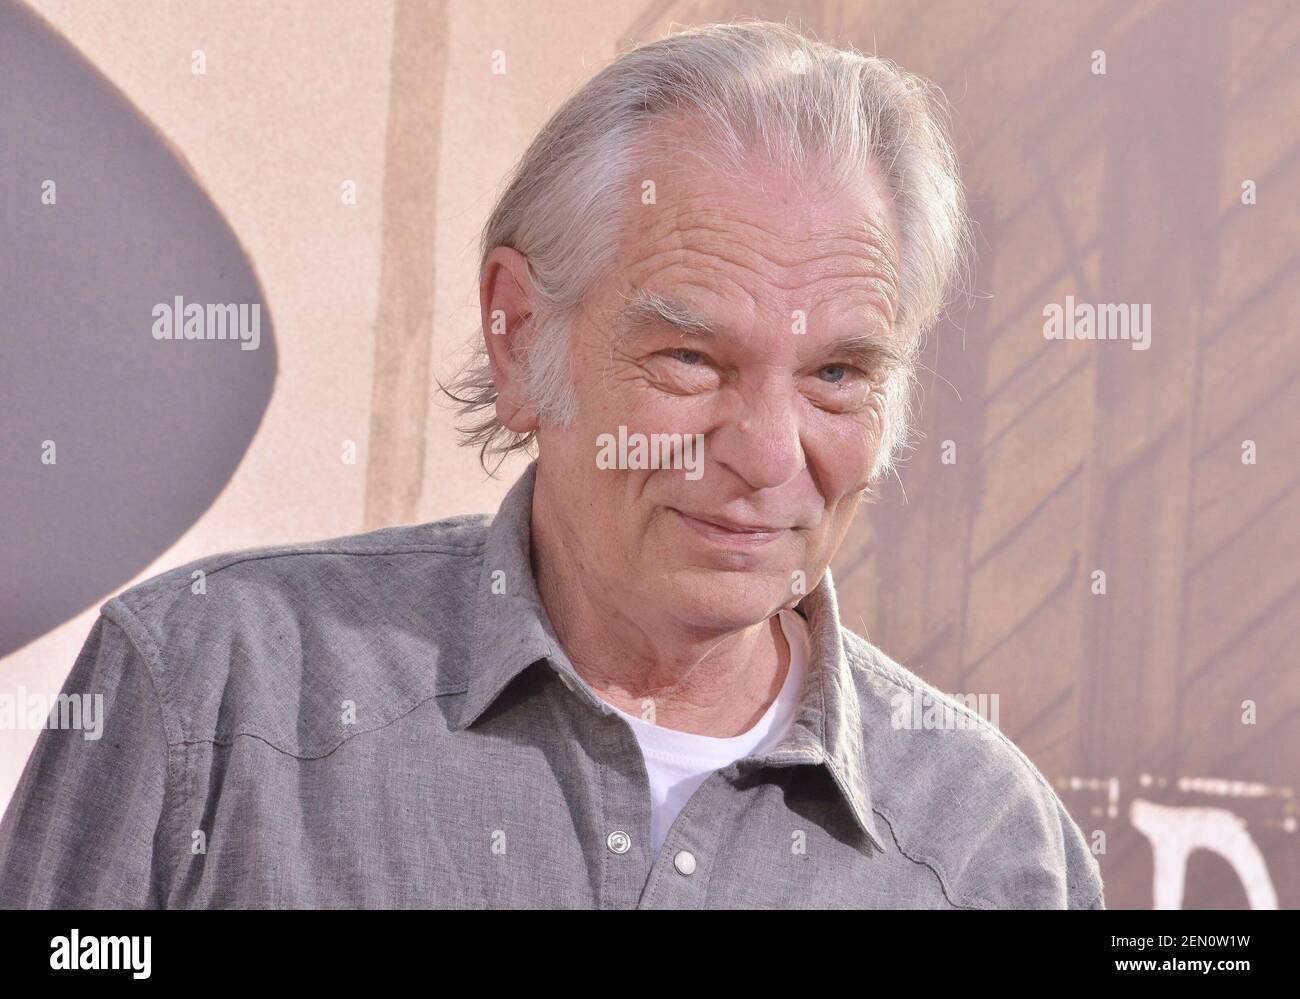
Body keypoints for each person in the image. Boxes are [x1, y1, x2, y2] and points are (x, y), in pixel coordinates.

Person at [0, 19, 1103, 908]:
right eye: (689, 357)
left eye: (838, 376)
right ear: (520, 336)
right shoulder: (211, 690)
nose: (767, 455)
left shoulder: (994, 850)